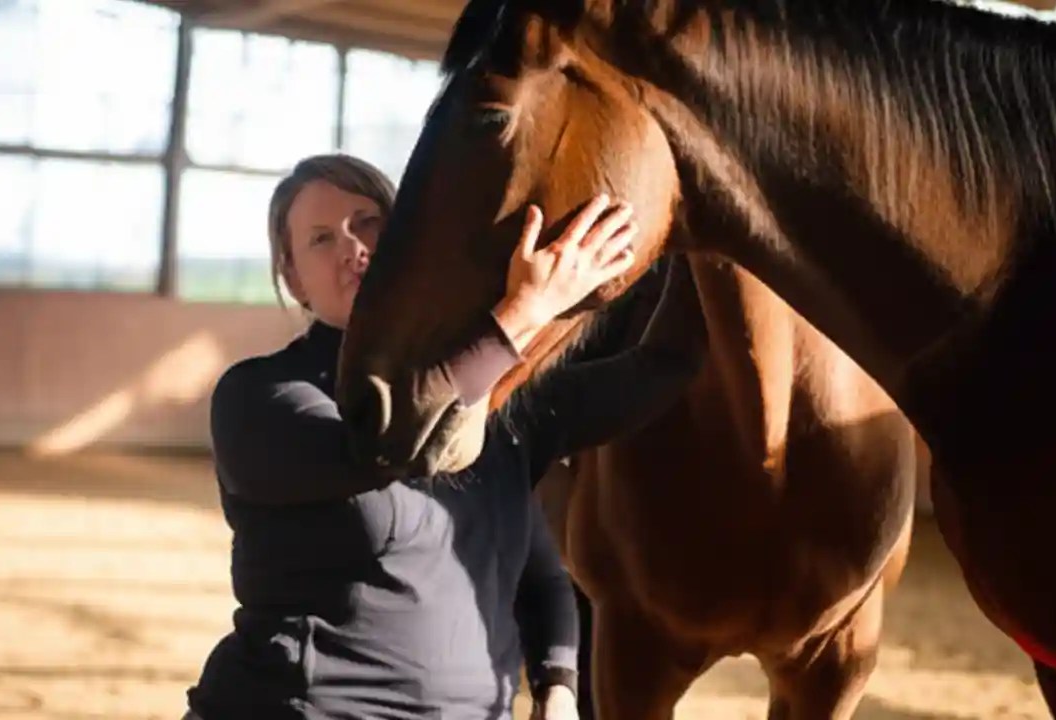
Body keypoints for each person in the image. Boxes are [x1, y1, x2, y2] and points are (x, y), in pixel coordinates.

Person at [184, 154, 701, 719]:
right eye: (321, 239)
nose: (353, 248)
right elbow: (400, 444)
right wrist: (523, 315)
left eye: (367, 222)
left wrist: (558, 682)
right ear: (292, 278)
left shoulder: (502, 404)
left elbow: (664, 367)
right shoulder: (262, 397)